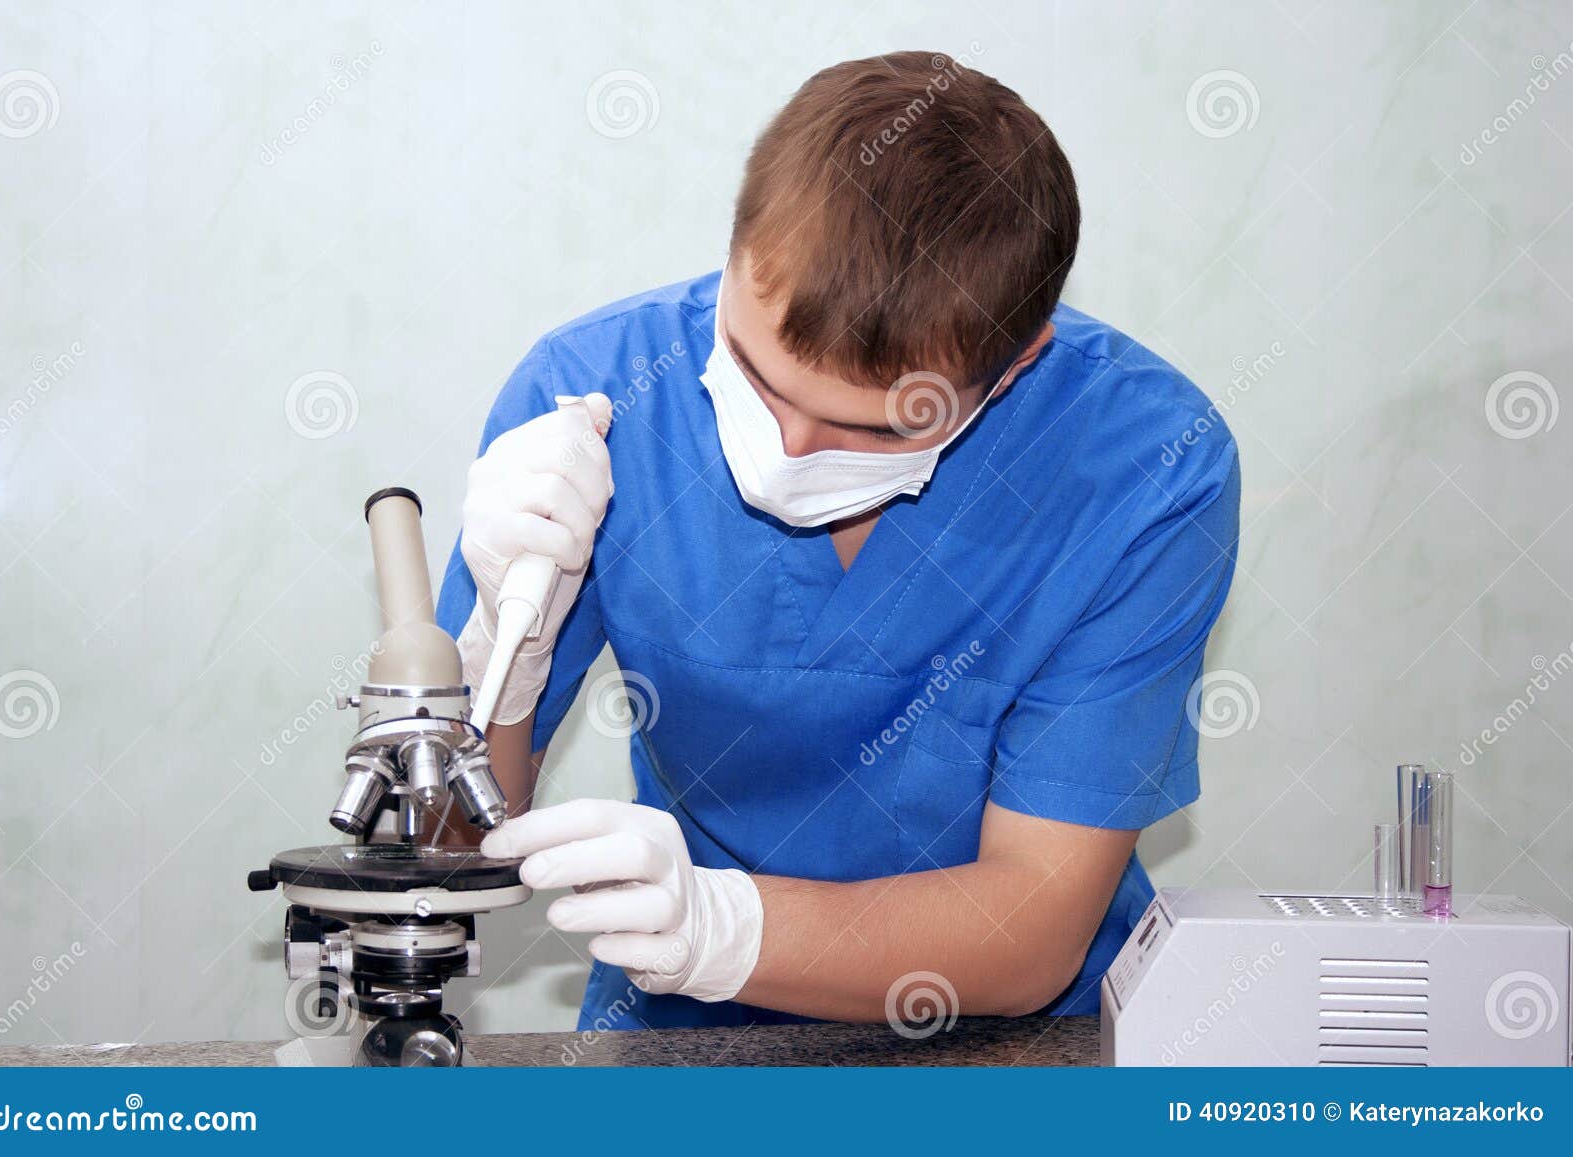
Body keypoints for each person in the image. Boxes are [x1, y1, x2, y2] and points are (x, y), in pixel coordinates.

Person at [434, 51, 1240, 1030]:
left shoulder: (1143, 462)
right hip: (689, 1038)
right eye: (758, 378)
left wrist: (721, 927)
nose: (790, 446)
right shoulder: (597, 396)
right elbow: (447, 860)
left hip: (1024, 1043)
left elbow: (1033, 923)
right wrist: (491, 660)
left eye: (875, 429)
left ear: (1018, 363)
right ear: (736, 253)